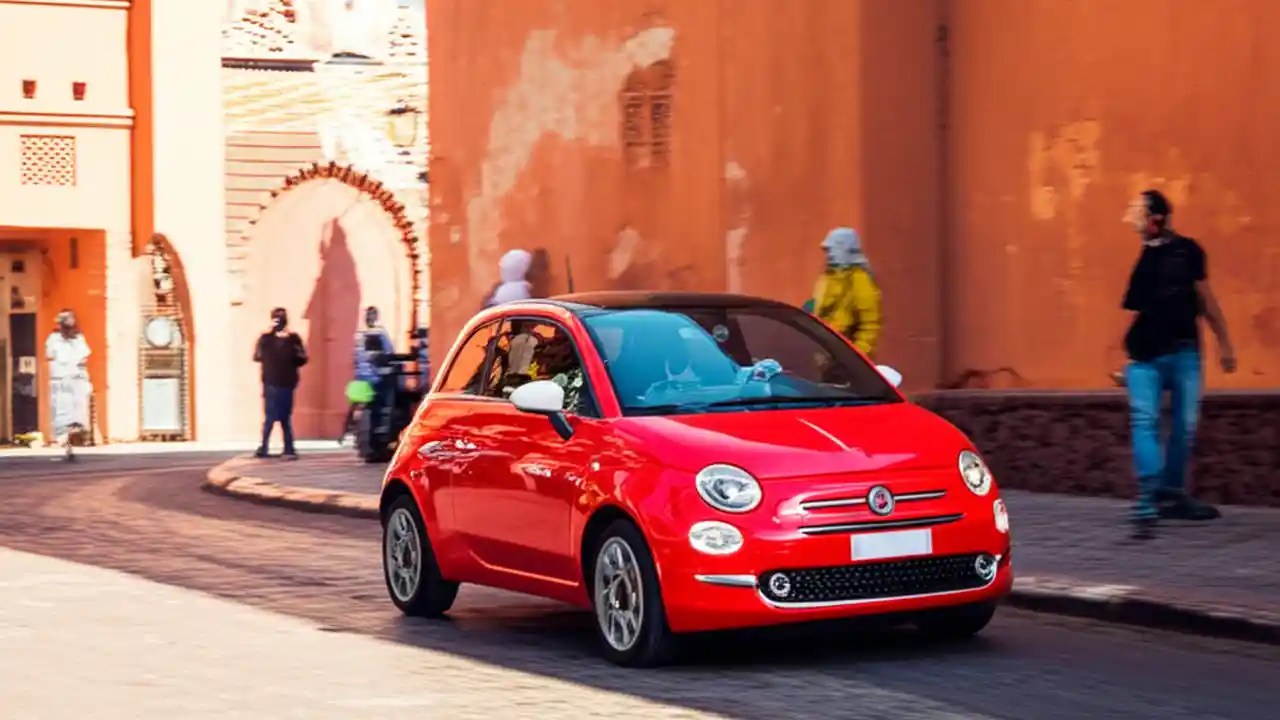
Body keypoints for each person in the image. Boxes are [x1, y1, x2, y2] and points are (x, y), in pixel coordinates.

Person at [1120, 189, 1236, 539]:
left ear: (1157, 219)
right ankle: (1147, 498)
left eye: (1142, 214)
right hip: (1145, 359)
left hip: (1185, 352)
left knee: (1184, 426)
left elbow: (1206, 298)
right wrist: (1124, 365)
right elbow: (1133, 313)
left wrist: (1225, 341)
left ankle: (1172, 494)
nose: (1136, 221)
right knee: (1145, 421)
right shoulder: (1144, 260)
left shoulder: (1189, 251)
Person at [810, 227, 882, 358]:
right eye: (828, 250)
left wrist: (857, 356)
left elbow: (869, 324)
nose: (830, 253)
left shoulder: (860, 280)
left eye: (835, 247)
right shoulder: (828, 276)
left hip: (847, 354)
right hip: (826, 351)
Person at [253, 307, 307, 460]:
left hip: (286, 383)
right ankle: (265, 447)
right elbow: (257, 356)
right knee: (270, 417)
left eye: (280, 318)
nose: (278, 321)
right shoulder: (265, 339)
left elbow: (302, 358)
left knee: (284, 417)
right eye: (276, 318)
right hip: (271, 382)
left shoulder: (293, 339)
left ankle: (288, 448)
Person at [339, 306, 394, 442]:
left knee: (354, 404)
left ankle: (345, 432)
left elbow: (356, 356)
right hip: (375, 377)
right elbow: (389, 353)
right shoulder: (380, 333)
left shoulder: (359, 334)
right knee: (383, 401)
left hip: (360, 377)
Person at [45, 309, 91, 461]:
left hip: (76, 380)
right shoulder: (54, 339)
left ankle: (74, 438)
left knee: (77, 413)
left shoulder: (79, 339)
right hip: (60, 381)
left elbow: (83, 360)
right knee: (61, 415)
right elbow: (50, 357)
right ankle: (67, 446)